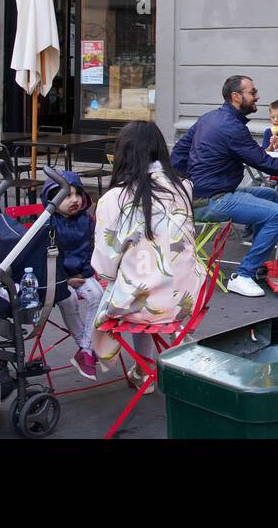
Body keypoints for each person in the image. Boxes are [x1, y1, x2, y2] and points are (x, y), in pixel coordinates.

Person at [91, 121, 203, 389]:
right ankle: (149, 366)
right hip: (190, 297)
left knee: (117, 290)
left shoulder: (114, 199)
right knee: (143, 283)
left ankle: (135, 367)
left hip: (145, 305)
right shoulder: (184, 186)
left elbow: (104, 266)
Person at [171, 75, 278, 297]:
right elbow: (263, 161)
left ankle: (256, 259)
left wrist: (188, 184)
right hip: (212, 199)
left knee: (269, 195)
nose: (257, 96)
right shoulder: (231, 126)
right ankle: (244, 275)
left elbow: (178, 153)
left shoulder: (210, 118)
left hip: (206, 193)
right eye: (252, 92)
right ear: (236, 96)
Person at [39, 171, 104, 381]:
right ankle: (85, 347)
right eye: (67, 196)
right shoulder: (47, 224)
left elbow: (91, 249)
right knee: (69, 299)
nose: (74, 200)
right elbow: (44, 258)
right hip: (56, 277)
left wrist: (84, 272)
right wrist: (64, 280)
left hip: (81, 272)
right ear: (52, 199)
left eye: (77, 194)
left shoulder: (86, 220)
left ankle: (85, 350)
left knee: (98, 294)